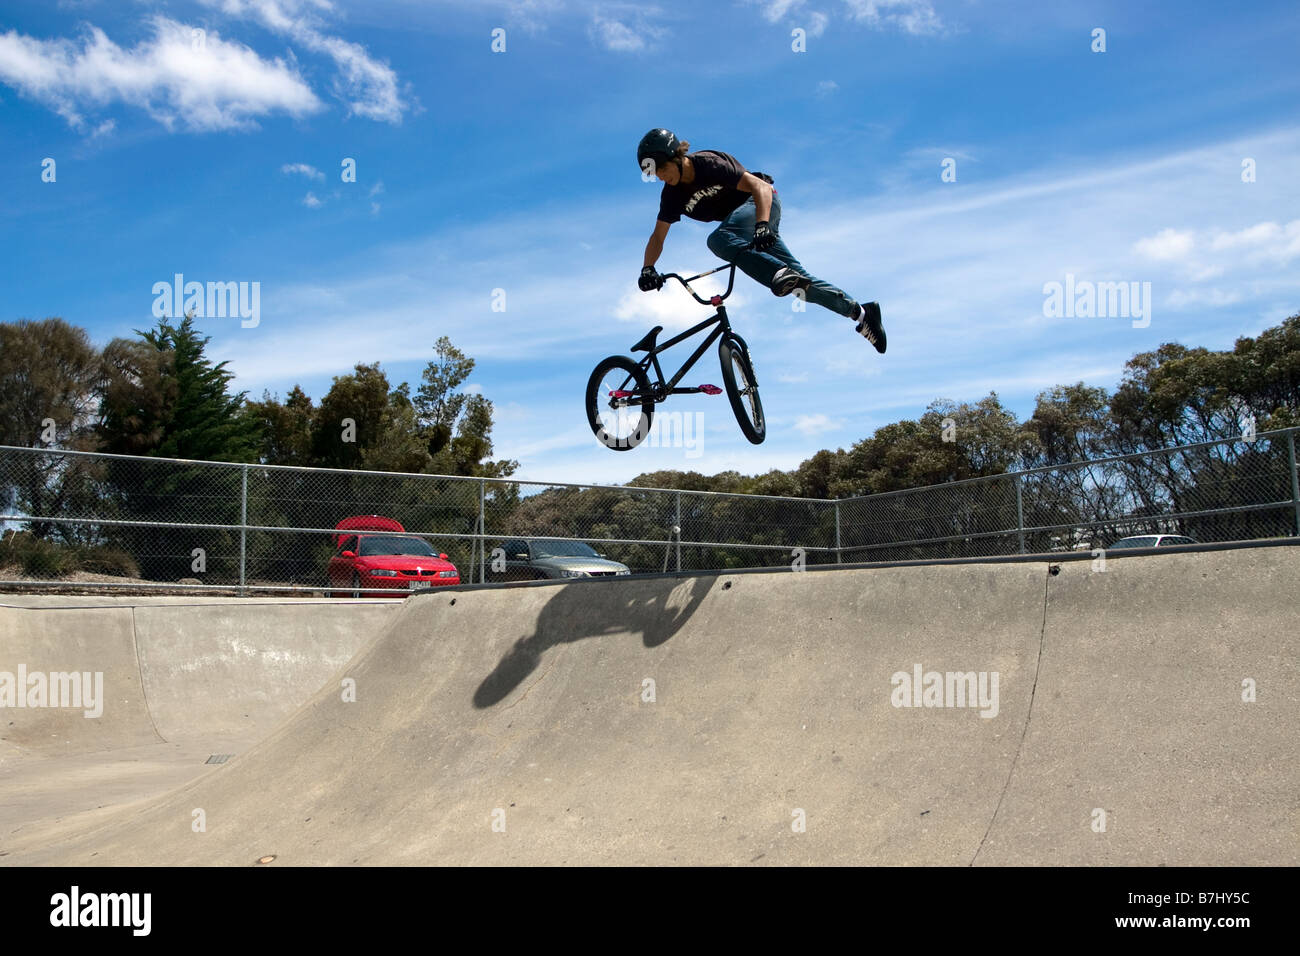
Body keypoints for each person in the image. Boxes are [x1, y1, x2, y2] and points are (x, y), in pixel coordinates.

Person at [635, 128, 885, 352]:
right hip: (743, 230)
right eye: (654, 174)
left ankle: (778, 274)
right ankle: (861, 313)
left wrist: (763, 226)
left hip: (761, 204)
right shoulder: (671, 196)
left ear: (675, 158)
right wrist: (647, 268)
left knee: (718, 239)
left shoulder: (708, 164)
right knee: (800, 286)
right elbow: (658, 235)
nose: (659, 177)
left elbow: (761, 188)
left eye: (661, 170)